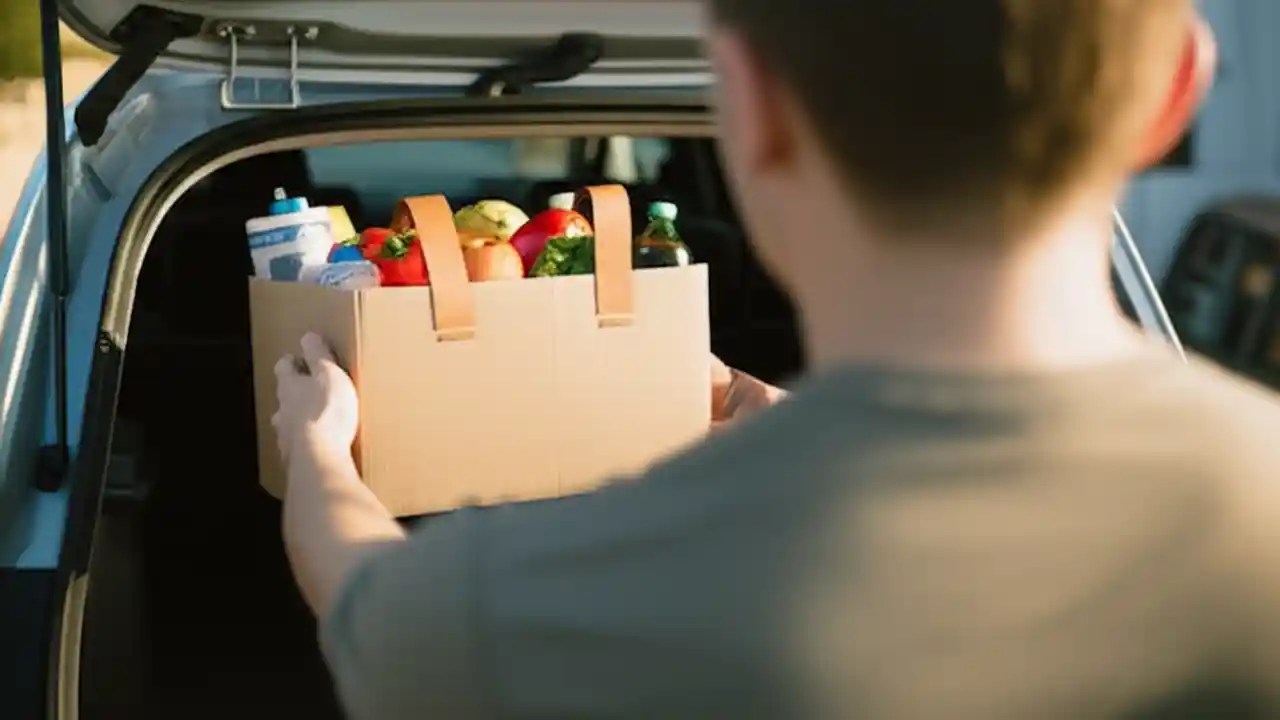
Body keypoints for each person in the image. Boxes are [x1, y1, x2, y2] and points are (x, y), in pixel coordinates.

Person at [270, 1, 1280, 717]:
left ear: (751, 110)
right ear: (1174, 90)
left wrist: (320, 450)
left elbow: (363, 599)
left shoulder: (519, 599)